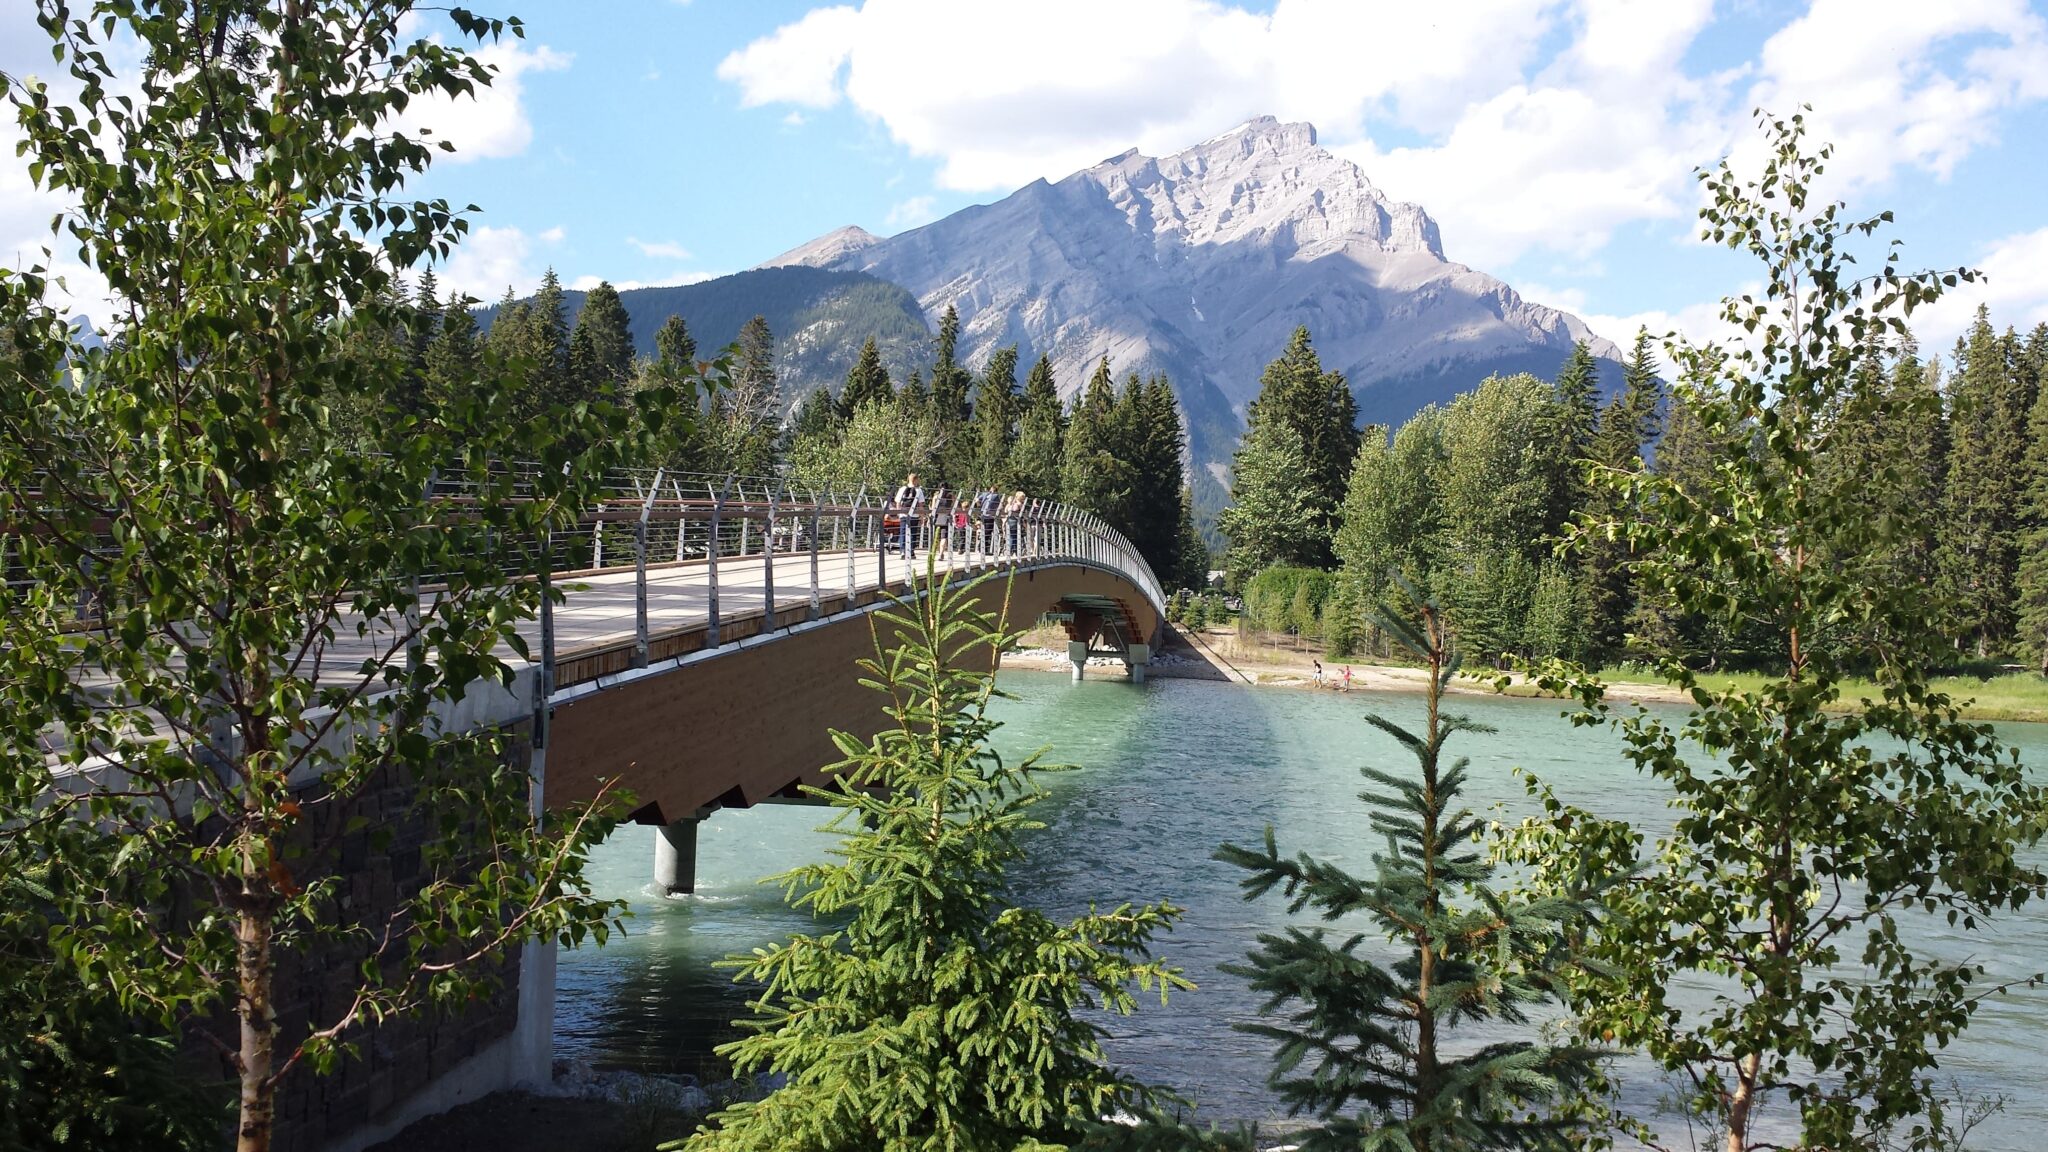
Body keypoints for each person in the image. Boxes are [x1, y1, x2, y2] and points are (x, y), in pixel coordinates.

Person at [893, 473, 924, 560]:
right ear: (915, 480)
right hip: (914, 514)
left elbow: (898, 502)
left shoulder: (902, 489)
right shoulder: (918, 490)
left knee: (903, 532)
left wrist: (899, 513)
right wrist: (921, 517)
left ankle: (903, 551)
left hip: (903, 514)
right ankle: (911, 551)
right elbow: (921, 504)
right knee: (913, 533)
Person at [975, 485, 1001, 556]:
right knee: (988, 532)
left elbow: (976, 499)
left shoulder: (985, 494)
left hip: (983, 515)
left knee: (984, 531)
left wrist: (979, 506)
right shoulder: (996, 496)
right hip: (990, 515)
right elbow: (999, 505)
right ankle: (983, 548)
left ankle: (982, 547)